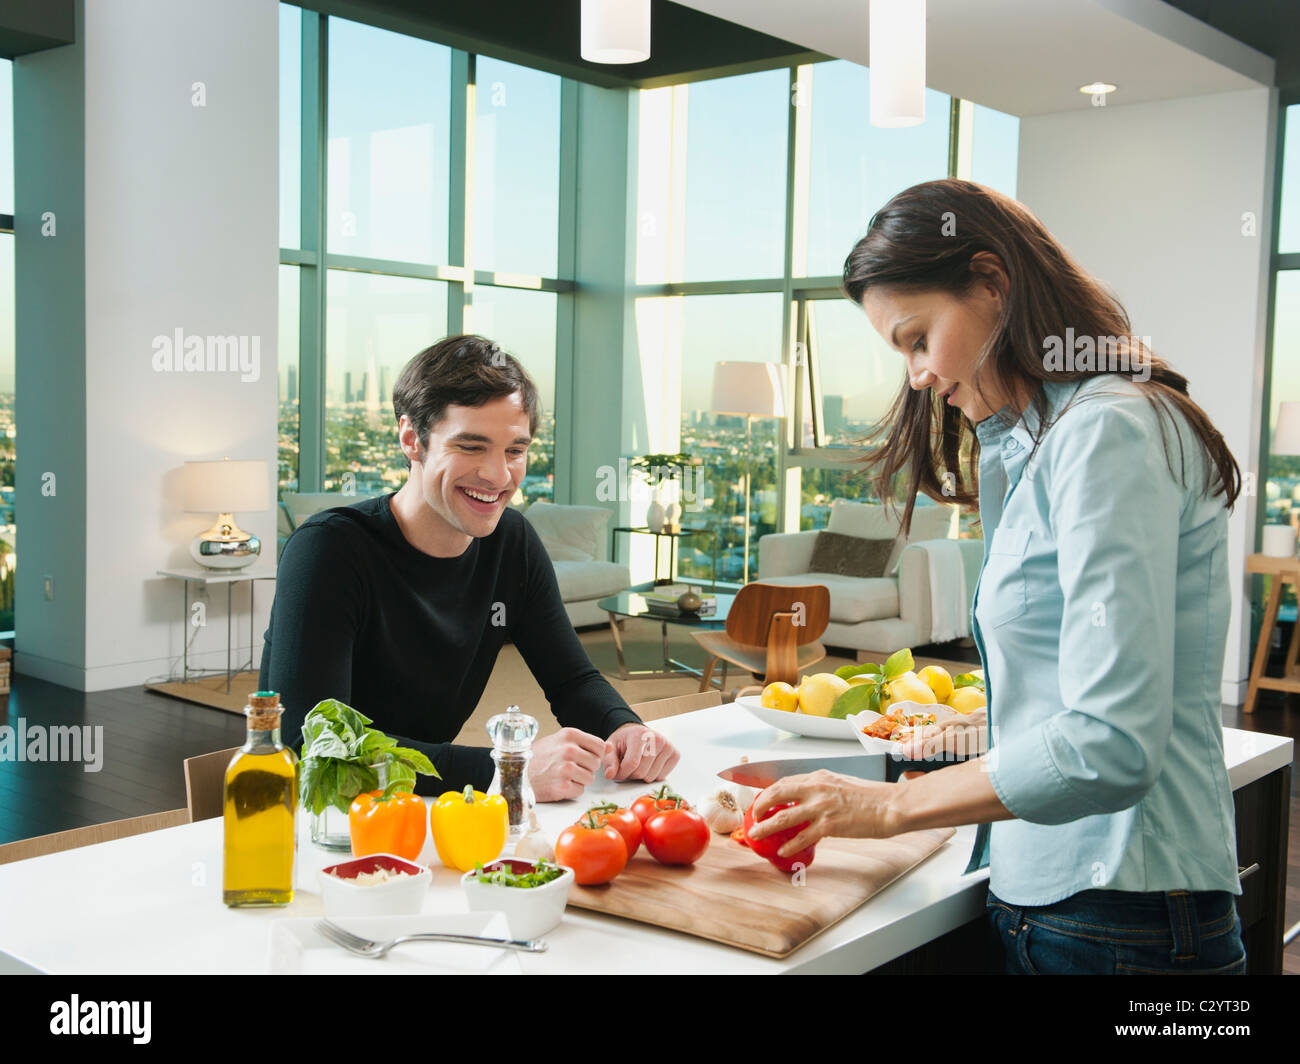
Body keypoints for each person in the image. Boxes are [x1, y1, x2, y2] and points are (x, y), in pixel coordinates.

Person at [747, 178, 1247, 975]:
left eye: (917, 337)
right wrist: (985, 734)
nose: (914, 374)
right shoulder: (1033, 444)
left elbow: (1112, 742)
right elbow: (1072, 686)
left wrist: (886, 806)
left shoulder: (1107, 429)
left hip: (1124, 915)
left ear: (992, 281)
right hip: (1052, 901)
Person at [259, 334, 679, 802]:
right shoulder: (329, 550)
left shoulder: (512, 542)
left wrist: (623, 727)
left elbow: (571, 679)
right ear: (411, 439)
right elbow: (311, 747)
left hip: (431, 812)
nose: (499, 476)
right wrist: (507, 769)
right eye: (472, 446)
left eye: (515, 450)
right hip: (323, 823)